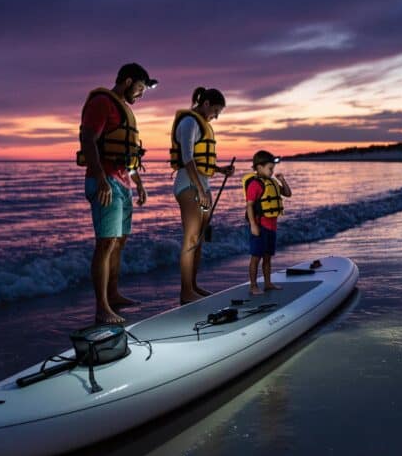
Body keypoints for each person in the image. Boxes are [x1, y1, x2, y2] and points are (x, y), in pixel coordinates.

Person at [77, 63, 155, 324]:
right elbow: (88, 138)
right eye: (141, 88)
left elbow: (127, 156)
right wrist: (100, 178)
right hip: (106, 182)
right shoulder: (102, 102)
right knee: (106, 243)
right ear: (128, 81)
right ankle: (102, 307)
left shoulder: (124, 110)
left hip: (123, 182)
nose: (142, 94)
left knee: (119, 241)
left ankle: (113, 294)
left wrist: (139, 183)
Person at [169, 87, 235, 304]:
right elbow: (188, 158)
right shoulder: (189, 122)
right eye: (215, 111)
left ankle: (193, 286)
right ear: (205, 103)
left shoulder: (201, 124)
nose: (215, 117)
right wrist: (200, 189)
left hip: (202, 186)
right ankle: (185, 292)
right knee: (191, 236)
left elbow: (201, 161)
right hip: (189, 186)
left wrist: (220, 170)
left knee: (200, 239)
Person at [244, 150, 292, 295]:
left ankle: (268, 283)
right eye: (270, 168)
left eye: (273, 168)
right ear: (259, 167)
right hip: (260, 227)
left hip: (272, 227)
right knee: (256, 257)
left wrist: (282, 180)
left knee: (267, 257)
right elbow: (250, 205)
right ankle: (253, 286)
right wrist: (253, 225)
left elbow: (288, 193)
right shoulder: (255, 185)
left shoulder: (272, 182)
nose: (272, 172)